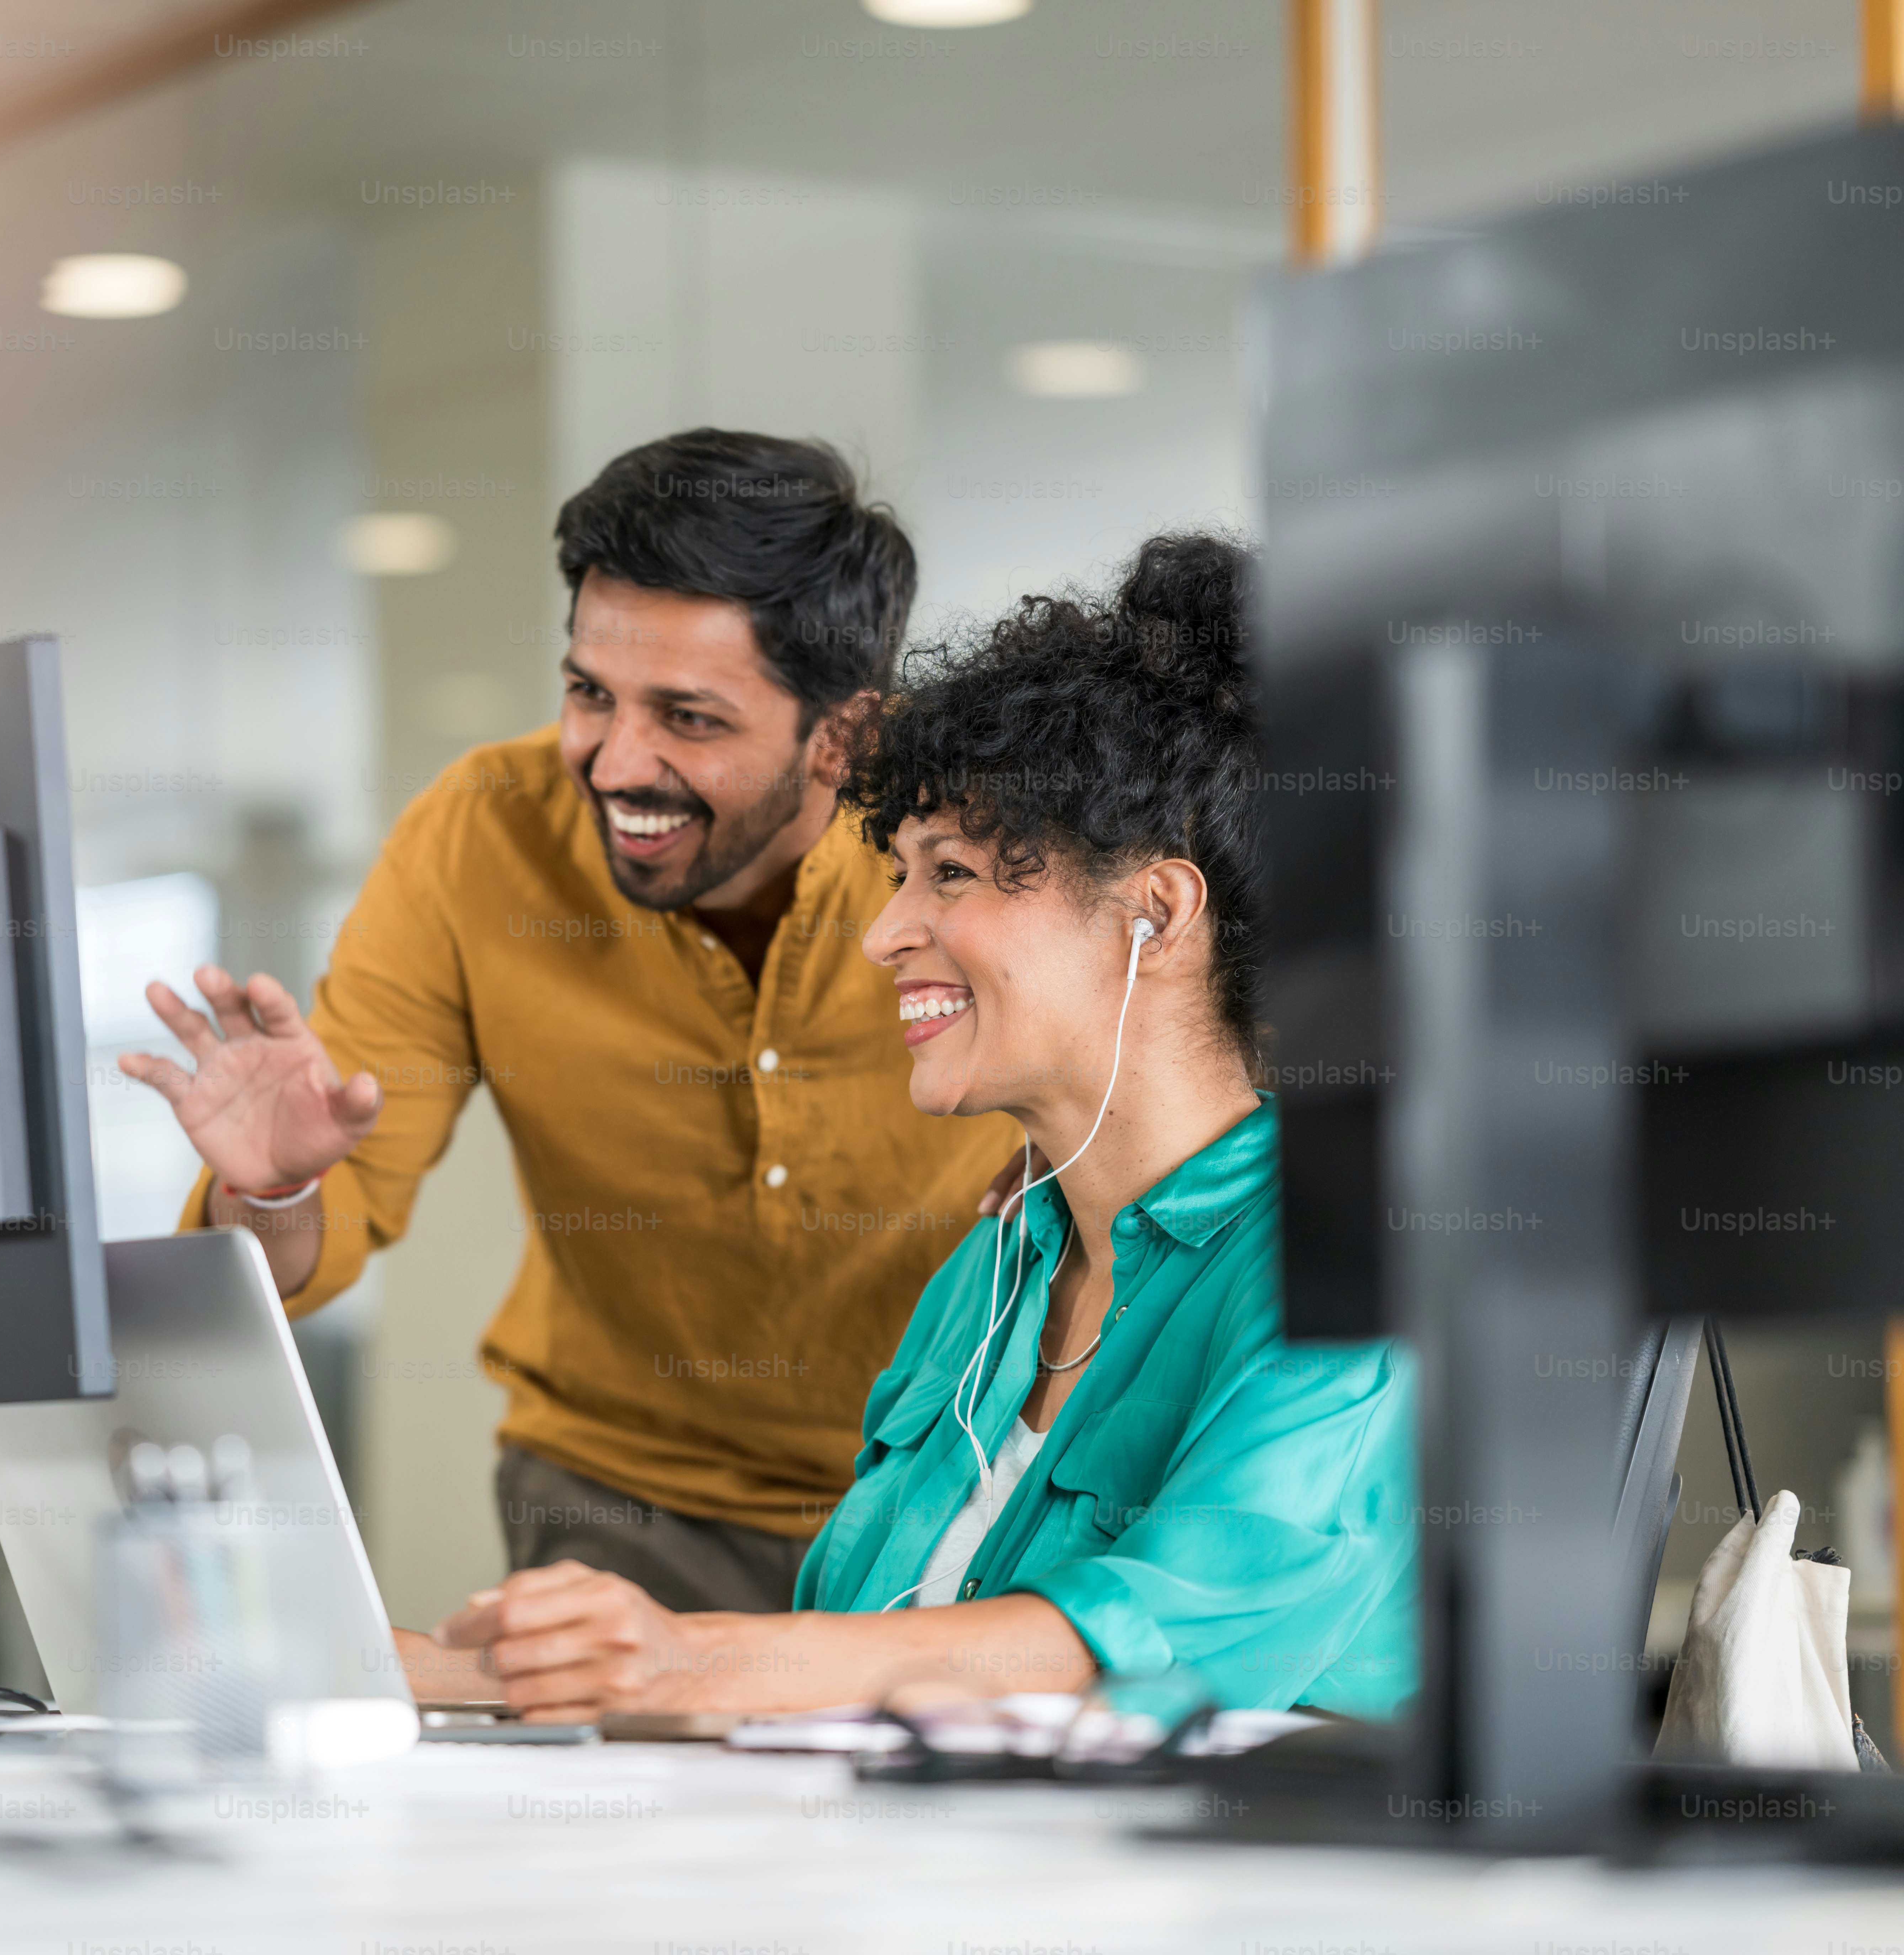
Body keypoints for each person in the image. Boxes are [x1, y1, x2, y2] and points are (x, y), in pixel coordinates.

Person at [419, 534, 1416, 1720]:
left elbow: (1158, 1636)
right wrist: (440, 1670)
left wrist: (683, 1658)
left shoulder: (1349, 1260)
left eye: (948, 876)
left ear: (1155, 911)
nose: (884, 933)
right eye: (899, 874)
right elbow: (842, 1657)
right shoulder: (995, 1272)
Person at [119, 429, 1025, 1614]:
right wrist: (279, 1189)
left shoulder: (989, 853)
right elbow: (321, 1231)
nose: (614, 762)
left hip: (953, 1498)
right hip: (623, 1508)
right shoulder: (480, 836)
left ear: (843, 739)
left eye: (688, 719)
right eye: (590, 694)